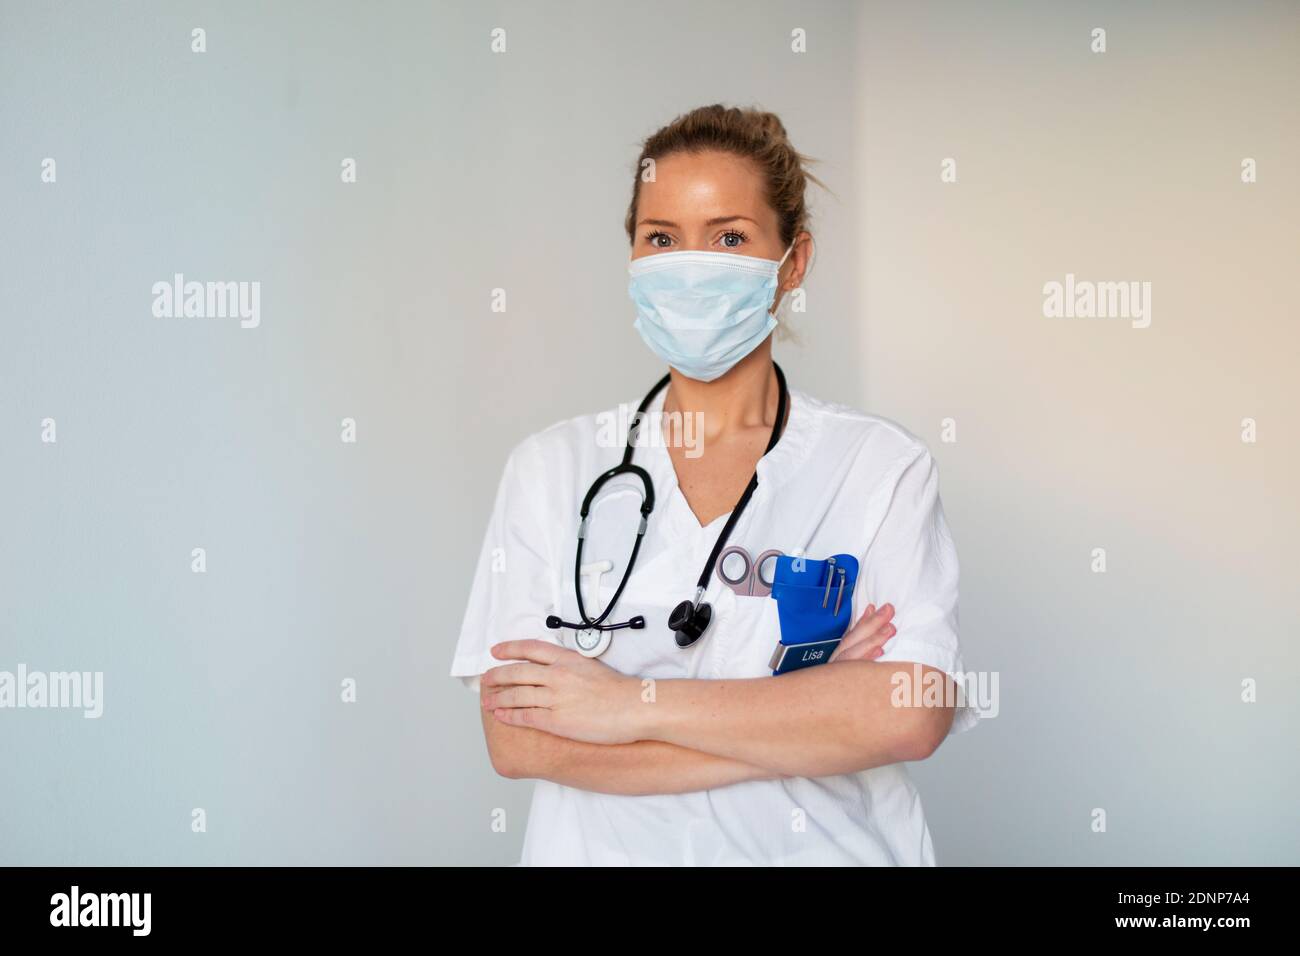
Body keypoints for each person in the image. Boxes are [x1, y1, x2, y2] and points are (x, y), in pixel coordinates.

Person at [451, 104, 977, 865]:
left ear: (792, 262)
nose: (690, 267)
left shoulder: (878, 467)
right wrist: (807, 718)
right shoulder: (552, 469)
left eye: (729, 237)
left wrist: (624, 705)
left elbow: (910, 715)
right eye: (661, 239)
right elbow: (518, 741)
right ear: (632, 258)